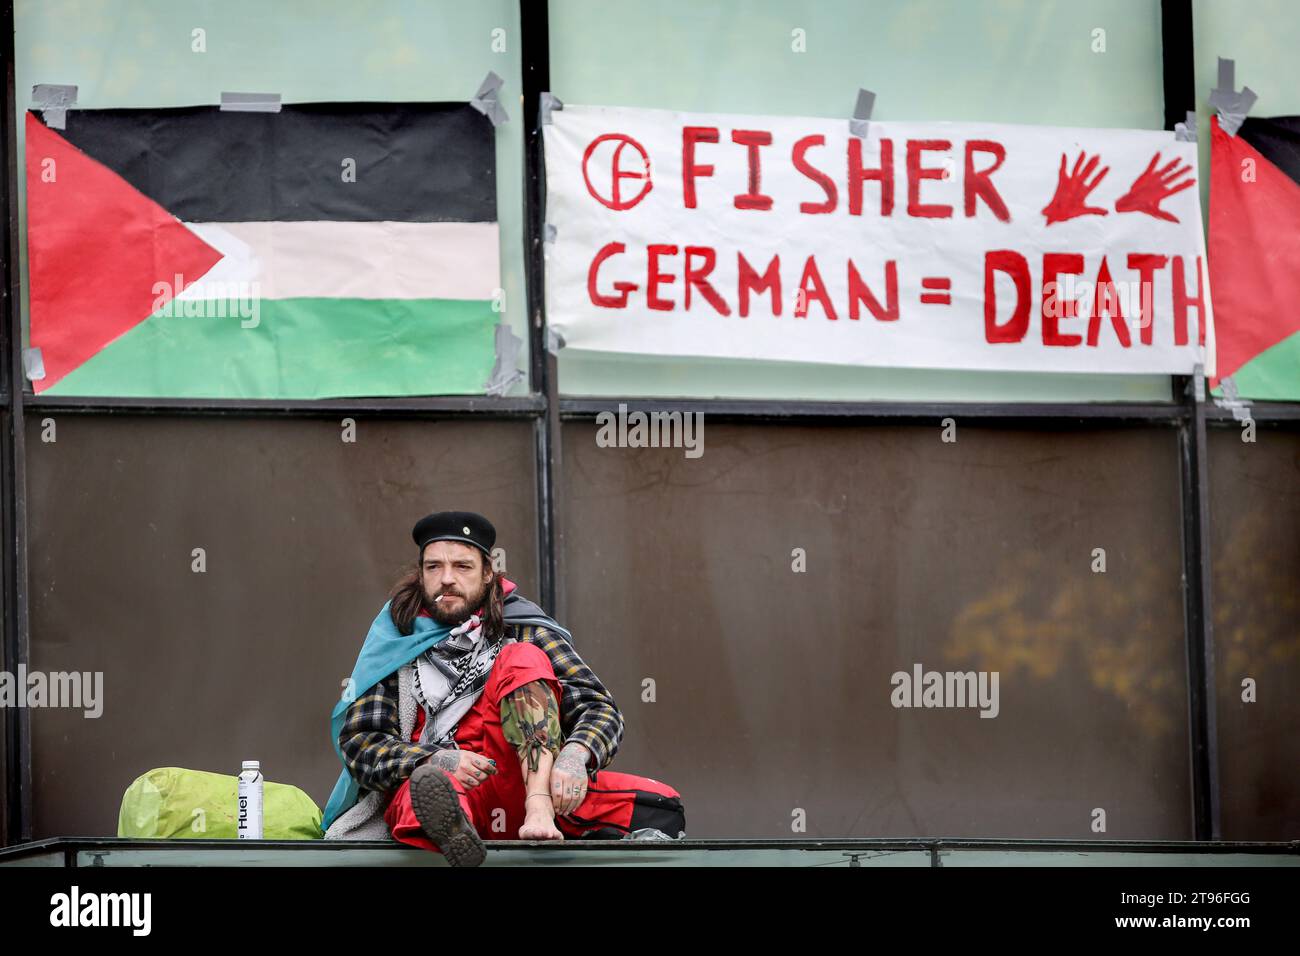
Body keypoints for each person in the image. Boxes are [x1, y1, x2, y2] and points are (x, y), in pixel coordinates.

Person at [320, 510, 684, 865]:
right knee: (421, 794)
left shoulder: (525, 627)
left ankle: (540, 810)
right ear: (421, 574)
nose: (447, 579)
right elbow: (361, 743)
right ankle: (456, 835)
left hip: (527, 786)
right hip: (445, 789)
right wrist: (433, 758)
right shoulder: (395, 641)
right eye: (434, 567)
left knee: (660, 805)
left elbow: (598, 708)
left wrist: (575, 758)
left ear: (488, 572)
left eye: (462, 566)